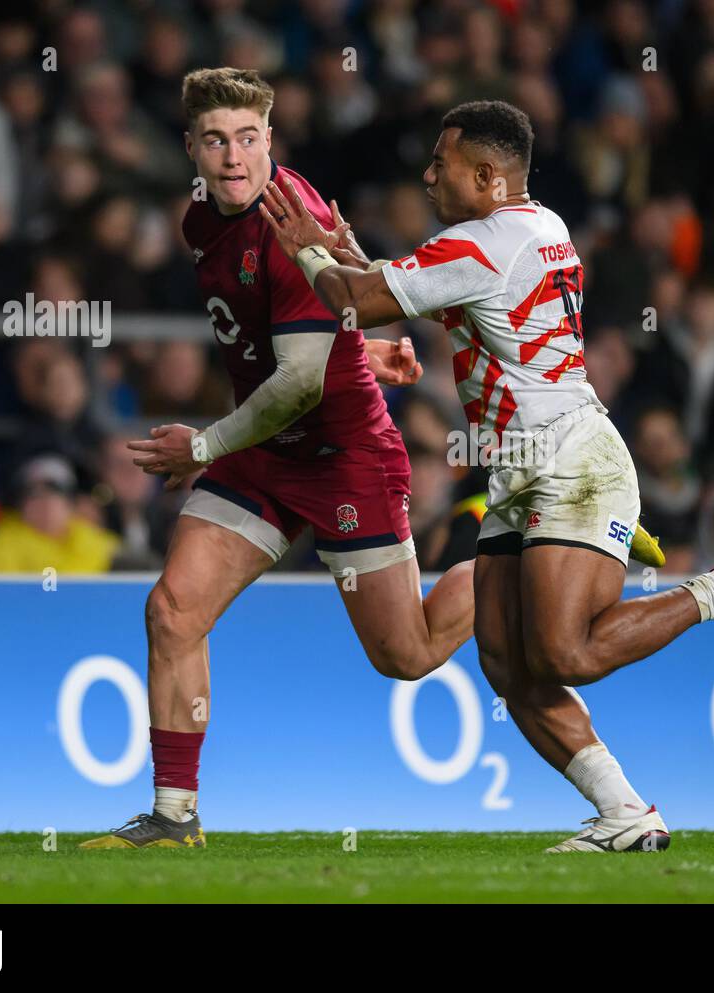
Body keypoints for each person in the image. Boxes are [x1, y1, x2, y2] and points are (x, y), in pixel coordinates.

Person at [80, 69, 666, 851]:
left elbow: (297, 379)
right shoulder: (199, 220)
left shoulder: (293, 223)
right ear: (191, 146)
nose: (232, 157)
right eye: (215, 140)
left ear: (269, 140)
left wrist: (205, 444)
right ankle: (173, 816)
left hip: (341, 454)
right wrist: (361, 351)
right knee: (172, 609)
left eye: (248, 138)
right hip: (265, 453)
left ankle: (516, 554)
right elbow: (299, 337)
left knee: (408, 653)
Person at [261, 98, 714, 852]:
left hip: (568, 462)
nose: (428, 175)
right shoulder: (540, 227)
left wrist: (308, 250)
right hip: (521, 469)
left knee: (565, 653)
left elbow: (358, 302)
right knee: (506, 665)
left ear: (489, 176)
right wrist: (354, 251)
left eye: (443, 163)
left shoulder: (481, 245)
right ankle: (626, 812)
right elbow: (431, 291)